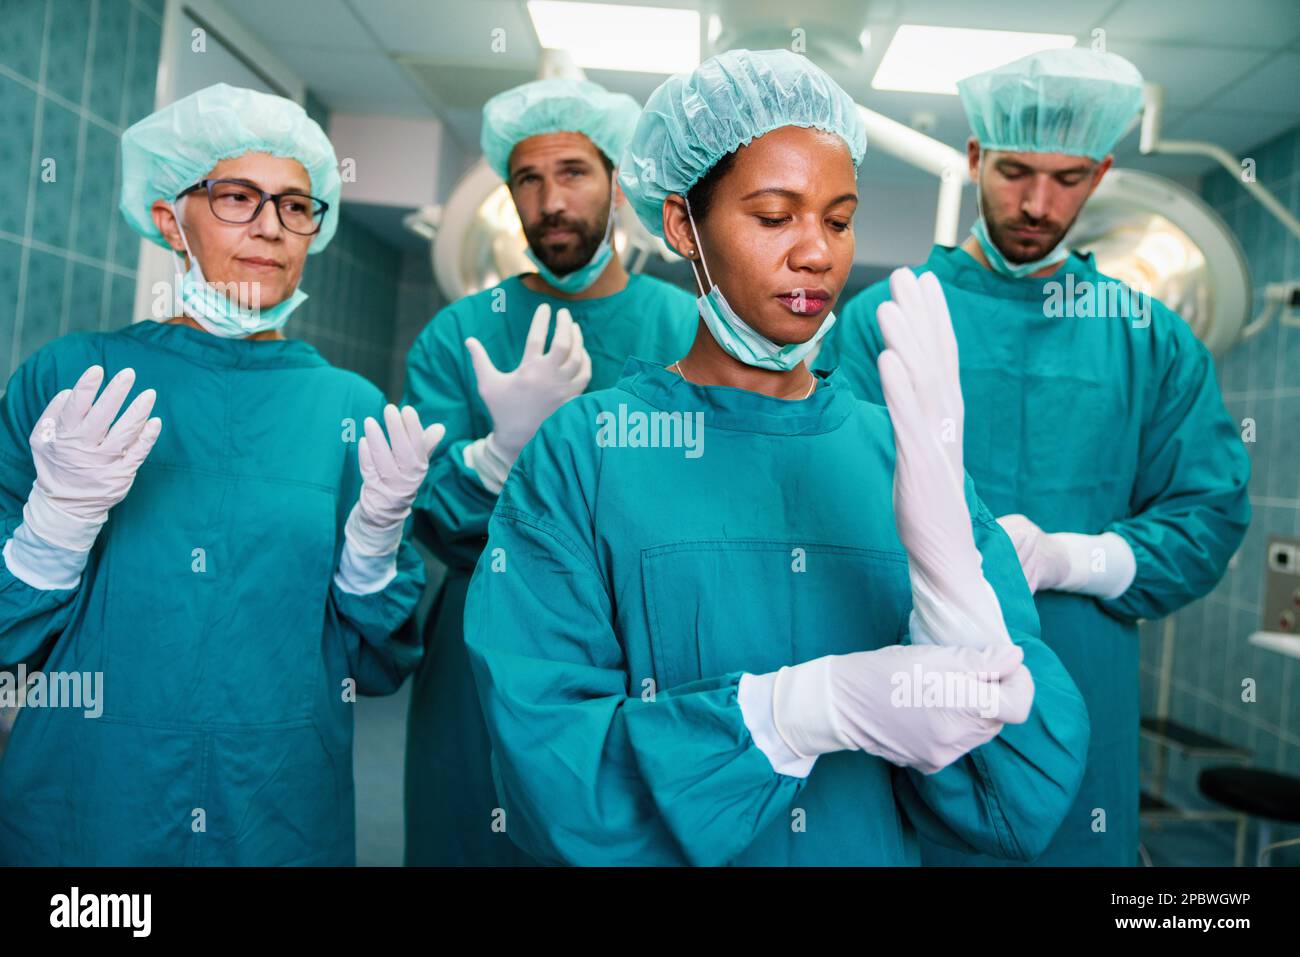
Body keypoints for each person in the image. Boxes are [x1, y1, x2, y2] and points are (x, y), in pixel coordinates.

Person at [460, 48, 1090, 866]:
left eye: (836, 218)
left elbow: (1025, 795)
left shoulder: (897, 453)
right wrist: (793, 714)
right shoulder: (582, 458)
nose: (817, 253)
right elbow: (553, 768)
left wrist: (957, 597)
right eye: (772, 216)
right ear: (685, 224)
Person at [818, 49, 1251, 866]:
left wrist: (1076, 558)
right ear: (976, 157)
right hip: (913, 687)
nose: (1038, 202)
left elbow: (1209, 513)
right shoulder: (889, 319)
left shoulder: (1148, 337)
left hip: (1079, 687)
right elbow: (830, 502)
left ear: (1103, 173)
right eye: (1015, 170)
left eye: (1069, 177)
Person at [0, 83, 441, 865]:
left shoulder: (350, 409)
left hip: (278, 804)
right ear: (172, 219)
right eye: (238, 197)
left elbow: (376, 666)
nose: (271, 226)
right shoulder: (74, 378)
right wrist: (53, 528)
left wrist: (373, 548)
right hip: (90, 799)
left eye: (296, 205)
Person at [402, 78, 697, 865]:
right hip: (484, 641)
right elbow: (429, 514)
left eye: (572, 172)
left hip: (639, 642)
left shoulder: (682, 326)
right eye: (528, 180)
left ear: (616, 184)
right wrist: (495, 458)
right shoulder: (458, 335)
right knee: (469, 829)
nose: (549, 200)